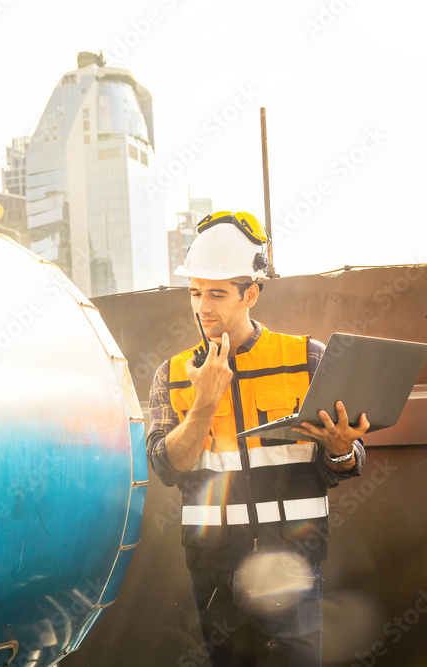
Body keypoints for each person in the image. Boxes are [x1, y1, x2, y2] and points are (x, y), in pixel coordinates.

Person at [147, 211, 367, 666]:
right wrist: (205, 402)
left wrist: (341, 447)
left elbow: (345, 462)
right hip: (214, 574)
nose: (202, 307)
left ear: (251, 293)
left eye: (216, 294)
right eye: (194, 292)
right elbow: (168, 468)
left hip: (293, 564)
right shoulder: (172, 376)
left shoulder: (307, 359)